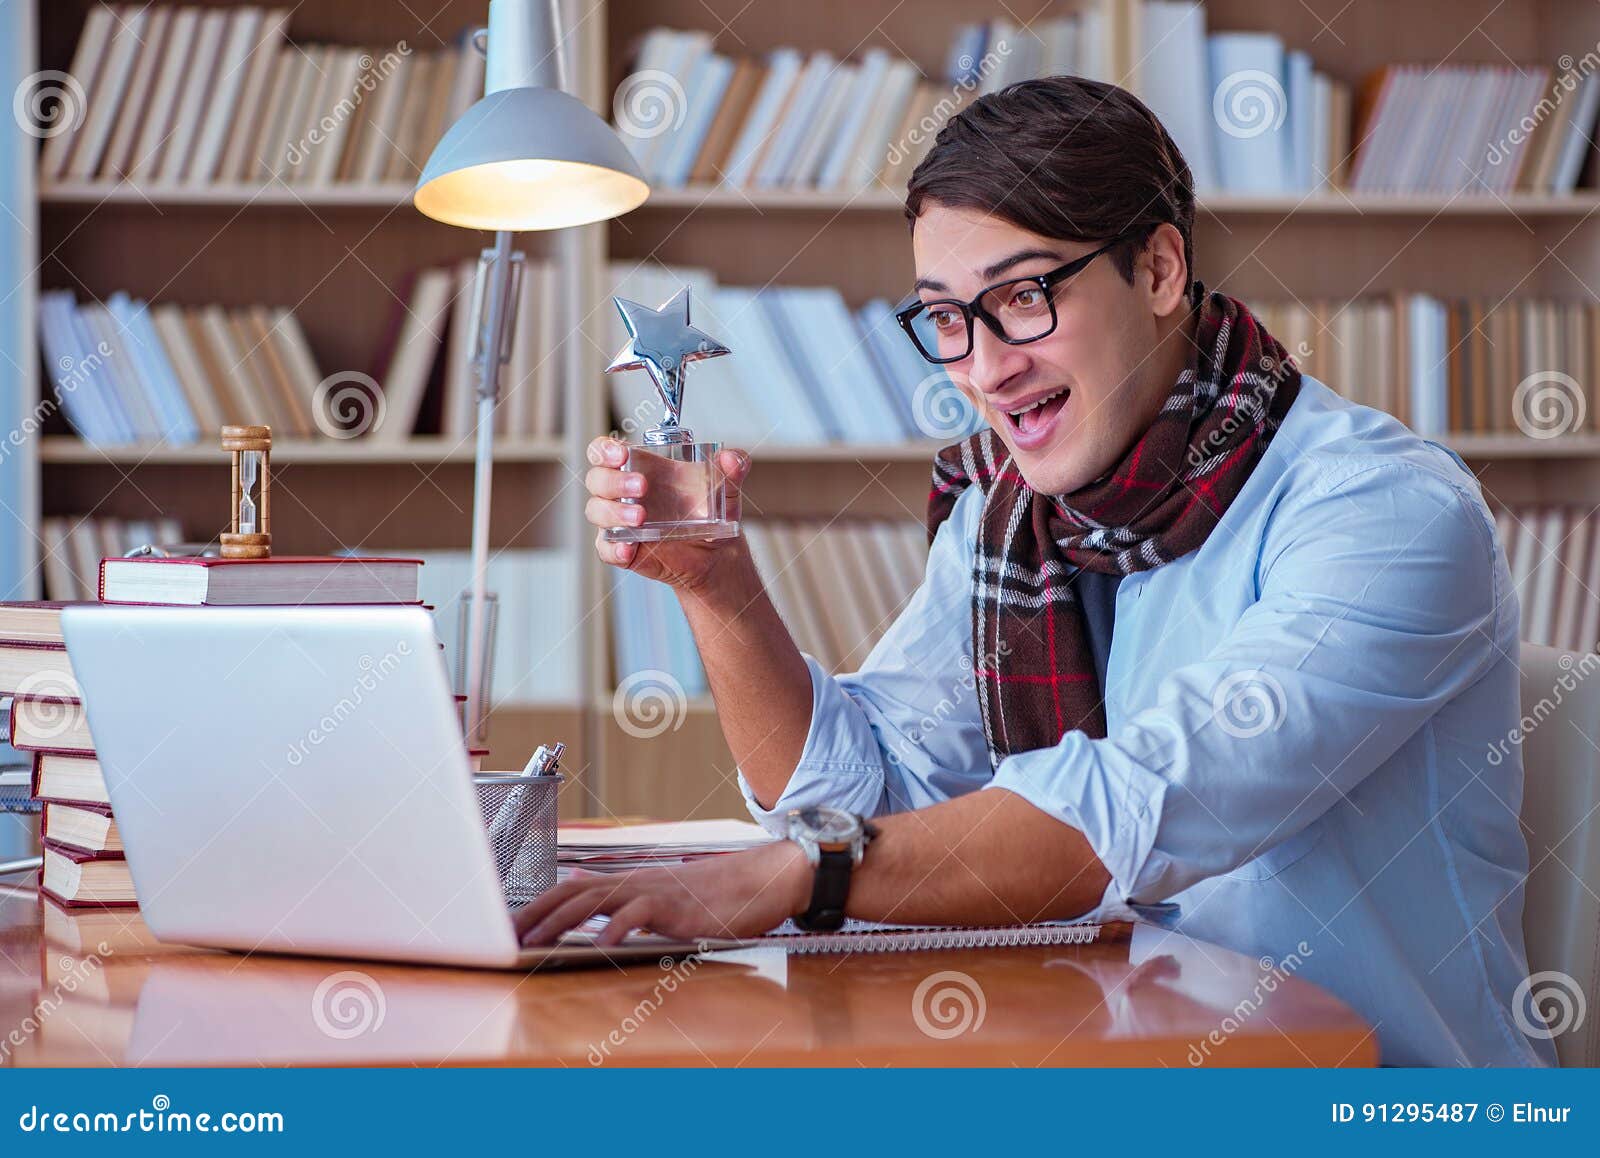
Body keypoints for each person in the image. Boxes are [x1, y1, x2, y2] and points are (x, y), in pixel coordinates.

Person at [517, 76, 1553, 1067]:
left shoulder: (1381, 511)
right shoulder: (1008, 519)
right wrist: (718, 590)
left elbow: (1135, 805)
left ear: (1156, 270)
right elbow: (863, 793)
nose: (982, 366)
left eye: (1020, 298)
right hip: (1116, 1065)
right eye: (947, 317)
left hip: (1369, 1096)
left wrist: (806, 872)